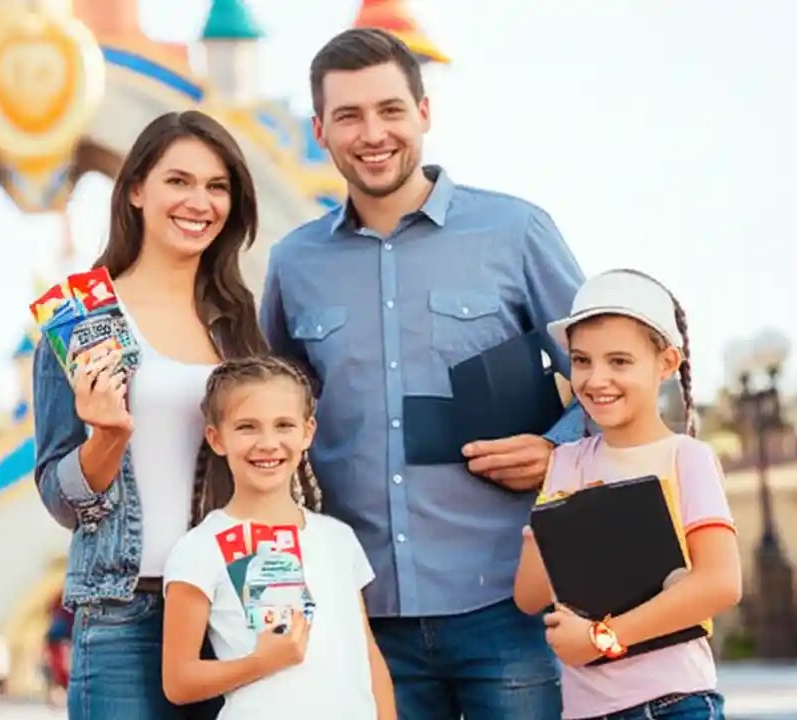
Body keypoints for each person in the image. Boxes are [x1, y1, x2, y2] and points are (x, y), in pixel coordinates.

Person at [260, 27, 586, 719]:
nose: (371, 133)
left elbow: (616, 384)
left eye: (389, 110)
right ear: (320, 129)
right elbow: (270, 419)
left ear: (424, 113)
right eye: (348, 115)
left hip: (508, 601)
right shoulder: (293, 265)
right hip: (365, 614)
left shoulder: (516, 232)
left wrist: (556, 450)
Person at [33, 109, 268, 719]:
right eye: (179, 181)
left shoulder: (241, 323)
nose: (200, 201)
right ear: (136, 188)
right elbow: (61, 500)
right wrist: (107, 437)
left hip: (237, 603)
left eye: (218, 187)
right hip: (125, 610)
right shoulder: (83, 321)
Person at [514, 269, 743, 719]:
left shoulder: (686, 458)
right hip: (585, 711)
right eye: (582, 361)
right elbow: (528, 595)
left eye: (619, 362)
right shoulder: (565, 463)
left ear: (666, 363)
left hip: (674, 704)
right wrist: (563, 523)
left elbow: (720, 583)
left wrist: (603, 637)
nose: (597, 379)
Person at [162, 356, 396, 718]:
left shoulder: (338, 539)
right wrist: (261, 661)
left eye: (284, 425)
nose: (268, 443)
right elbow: (178, 680)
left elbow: (367, 655)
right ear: (216, 438)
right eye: (247, 427)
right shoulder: (199, 549)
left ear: (308, 432)